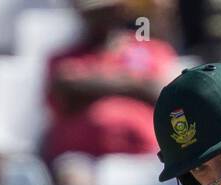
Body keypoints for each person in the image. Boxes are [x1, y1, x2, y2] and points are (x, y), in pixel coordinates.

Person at [44, 0, 180, 170]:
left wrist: (91, 84)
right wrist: (134, 84)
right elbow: (64, 90)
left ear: (122, 10)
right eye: (94, 12)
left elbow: (164, 94)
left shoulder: (151, 49)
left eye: (108, 10)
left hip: (149, 156)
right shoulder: (64, 57)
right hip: (81, 156)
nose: (101, 18)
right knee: (73, 177)